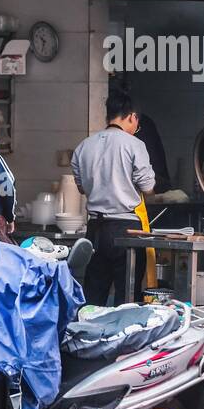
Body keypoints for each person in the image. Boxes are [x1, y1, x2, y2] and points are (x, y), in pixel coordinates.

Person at [71, 89, 155, 305]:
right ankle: (124, 337)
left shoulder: (84, 147)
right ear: (132, 117)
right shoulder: (135, 145)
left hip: (95, 229)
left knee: (93, 295)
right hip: (127, 229)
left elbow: (81, 188)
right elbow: (147, 187)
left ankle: (87, 335)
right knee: (127, 297)